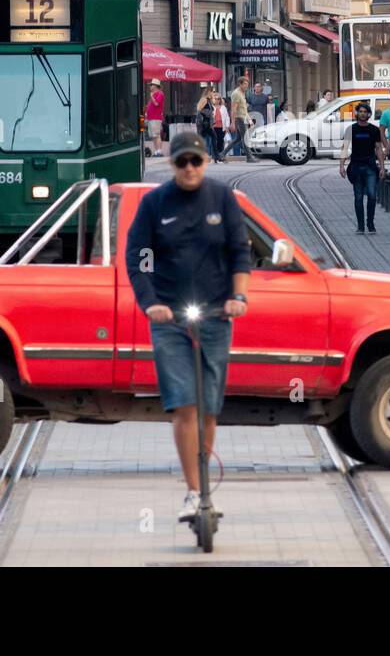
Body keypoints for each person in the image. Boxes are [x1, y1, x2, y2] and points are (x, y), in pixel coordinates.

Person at [124, 132, 251, 523]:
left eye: (196, 161)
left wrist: (238, 298)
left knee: (209, 407)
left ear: (206, 162)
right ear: (173, 165)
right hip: (170, 318)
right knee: (184, 403)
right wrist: (151, 305)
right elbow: (138, 257)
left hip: (216, 313)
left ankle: (206, 483)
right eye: (182, 162)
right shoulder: (154, 204)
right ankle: (194, 491)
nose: (190, 168)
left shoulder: (221, 198)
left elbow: (239, 251)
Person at [339, 102, 386, 234]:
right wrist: (342, 165)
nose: (363, 114)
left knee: (372, 196)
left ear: (369, 114)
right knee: (358, 197)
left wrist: (382, 167)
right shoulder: (351, 129)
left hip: (370, 166)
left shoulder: (374, 130)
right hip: (356, 167)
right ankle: (360, 226)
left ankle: (370, 223)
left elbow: (378, 149)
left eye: (365, 112)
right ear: (357, 113)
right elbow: (345, 148)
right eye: (360, 111)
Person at [222, 79, 258, 162]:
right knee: (245, 138)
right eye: (245, 84)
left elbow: (244, 109)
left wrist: (249, 120)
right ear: (240, 84)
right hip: (239, 118)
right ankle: (249, 157)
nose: (246, 86)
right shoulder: (236, 94)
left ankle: (222, 154)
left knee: (238, 138)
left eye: (247, 84)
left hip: (243, 117)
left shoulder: (242, 93)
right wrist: (233, 123)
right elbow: (233, 109)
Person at [145, 80, 166, 157]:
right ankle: (157, 151)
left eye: (151, 85)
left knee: (157, 135)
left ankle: (159, 151)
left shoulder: (160, 93)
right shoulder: (154, 94)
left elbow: (156, 103)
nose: (150, 86)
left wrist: (151, 96)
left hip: (156, 118)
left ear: (155, 86)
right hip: (151, 118)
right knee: (153, 135)